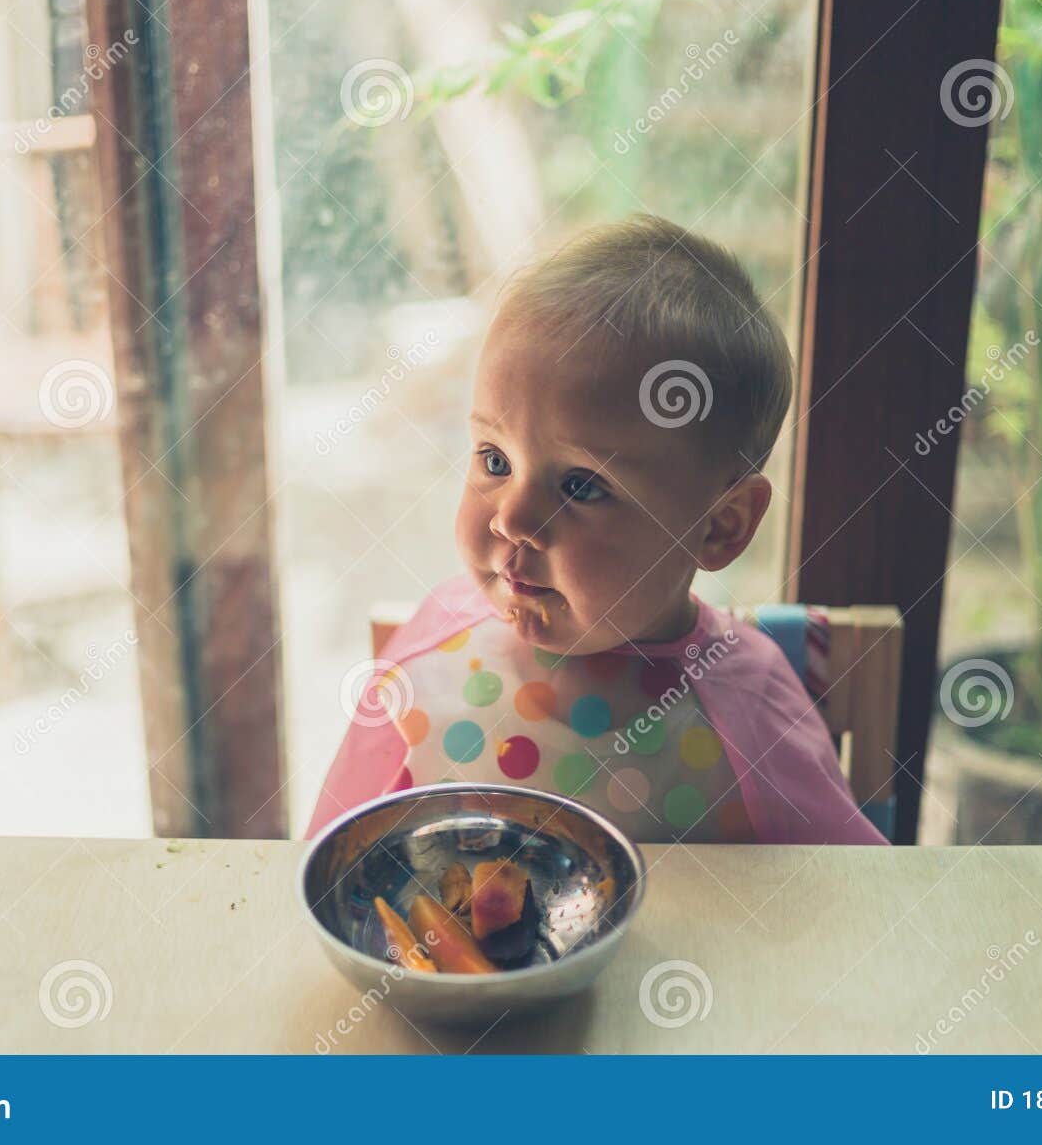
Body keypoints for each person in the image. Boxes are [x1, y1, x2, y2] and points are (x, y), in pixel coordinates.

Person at [308, 215, 886, 845]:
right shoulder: (428, 664)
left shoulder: (751, 707)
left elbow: (853, 901)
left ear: (720, 527)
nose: (512, 519)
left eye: (582, 486)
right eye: (495, 460)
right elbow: (335, 868)